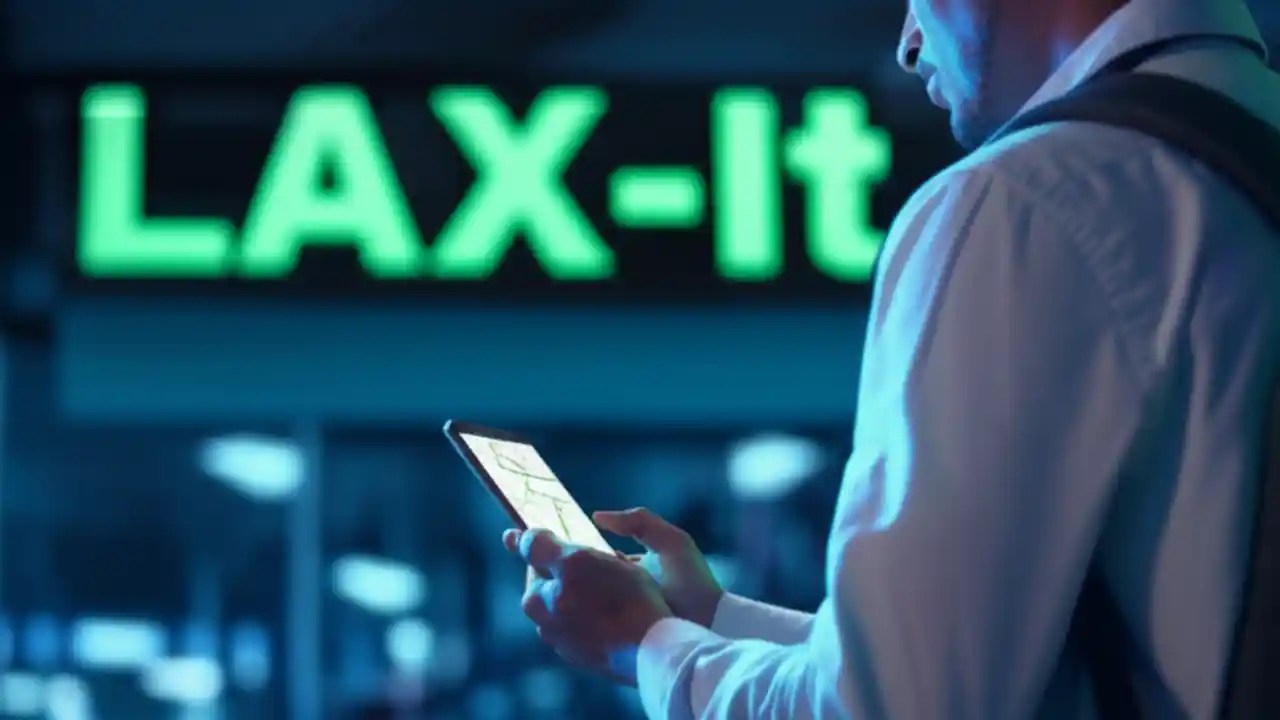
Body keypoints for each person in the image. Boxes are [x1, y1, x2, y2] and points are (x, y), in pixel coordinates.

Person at [503, 0, 1280, 715]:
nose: (909, 43)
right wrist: (715, 621)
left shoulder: (1020, 202)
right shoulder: (1243, 144)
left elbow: (892, 707)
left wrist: (645, 647)